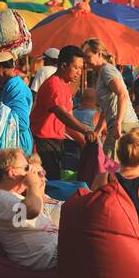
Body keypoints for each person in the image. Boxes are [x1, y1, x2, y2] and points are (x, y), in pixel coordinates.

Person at [0, 146, 59, 270]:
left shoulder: (11, 198)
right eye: (26, 168)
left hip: (53, 251)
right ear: (12, 173)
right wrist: (33, 184)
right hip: (48, 258)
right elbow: (32, 210)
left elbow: (26, 219)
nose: (30, 172)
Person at [30, 45, 94, 181]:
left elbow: (68, 120)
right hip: (42, 141)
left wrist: (83, 142)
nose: (79, 72)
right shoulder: (53, 85)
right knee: (46, 183)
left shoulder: (65, 85)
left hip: (56, 142)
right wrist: (85, 129)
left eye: (81, 68)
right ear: (64, 66)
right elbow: (62, 114)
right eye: (76, 68)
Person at [83, 38, 138, 155]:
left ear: (98, 54)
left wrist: (118, 124)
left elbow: (122, 94)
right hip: (119, 123)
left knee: (109, 166)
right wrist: (98, 130)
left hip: (123, 124)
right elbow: (106, 107)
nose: (85, 61)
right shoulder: (102, 73)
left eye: (88, 56)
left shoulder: (106, 70)